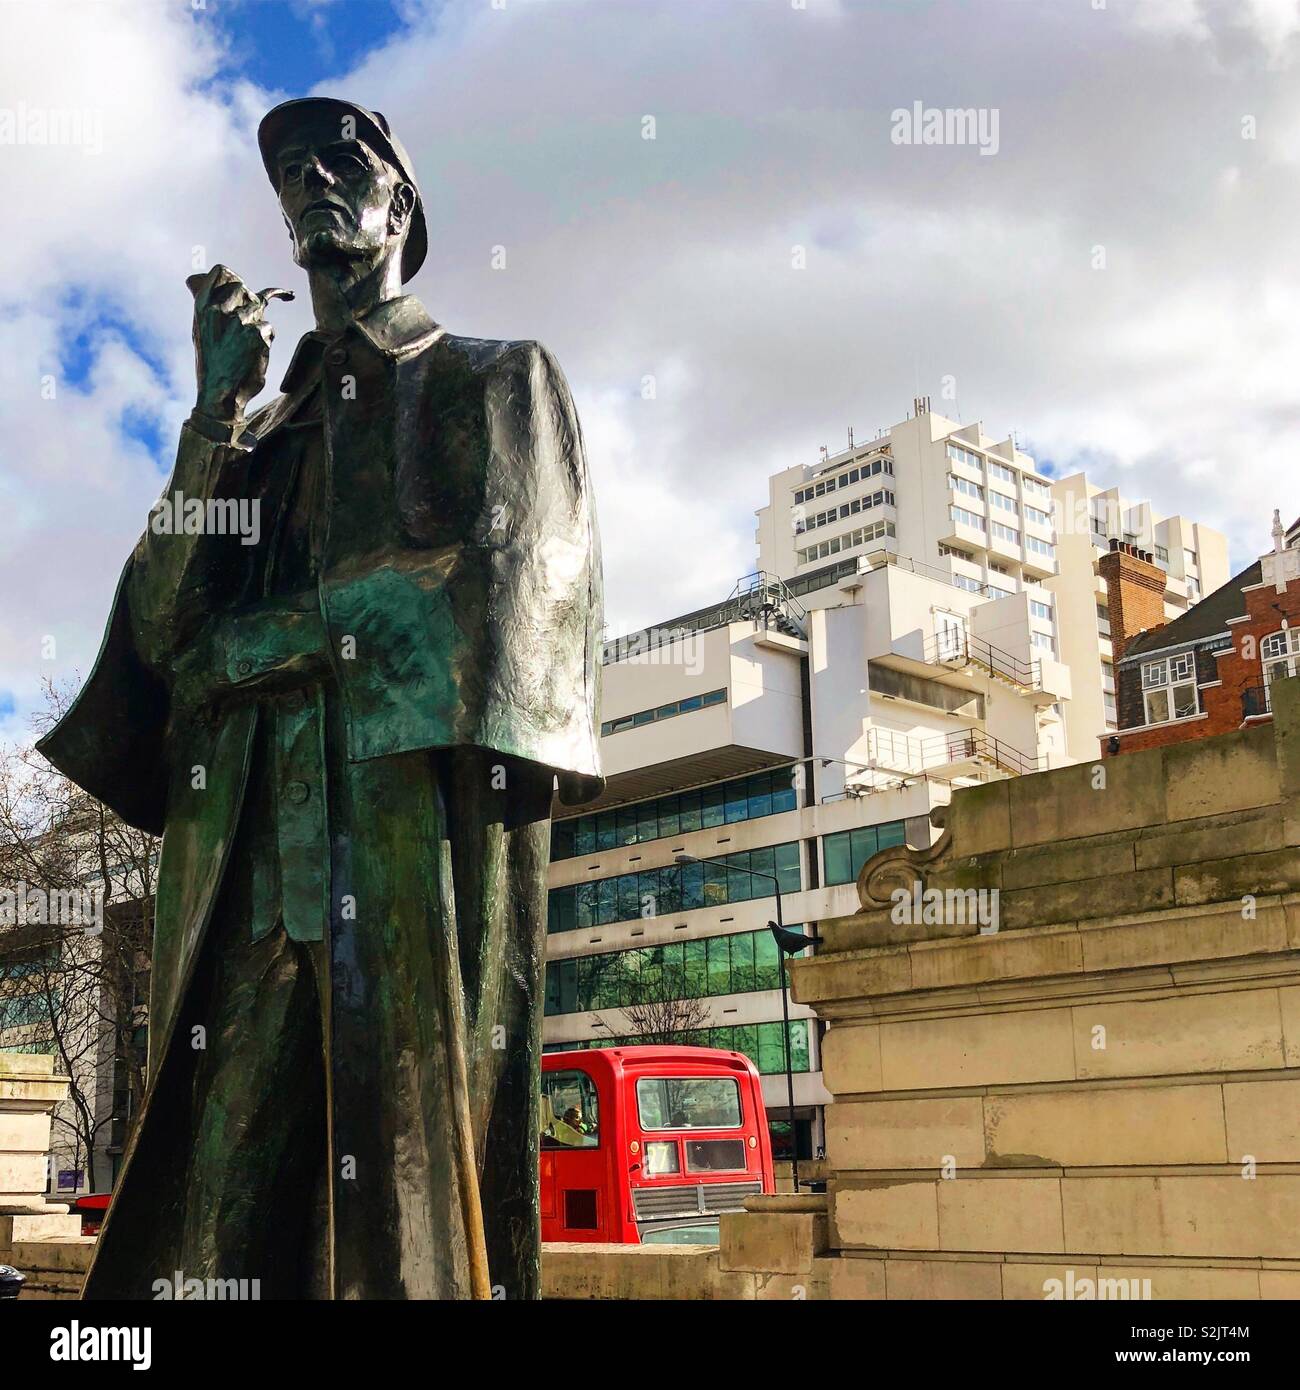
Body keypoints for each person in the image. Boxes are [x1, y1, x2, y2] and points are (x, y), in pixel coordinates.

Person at [39, 97, 601, 1301]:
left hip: (389, 840)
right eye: (291, 169)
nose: (311, 181)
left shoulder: (495, 381)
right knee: (214, 1195)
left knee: (399, 1211)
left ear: (402, 204)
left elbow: (505, 607)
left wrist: (268, 644)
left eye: (344, 161)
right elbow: (160, 628)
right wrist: (212, 413)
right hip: (239, 852)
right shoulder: (258, 439)